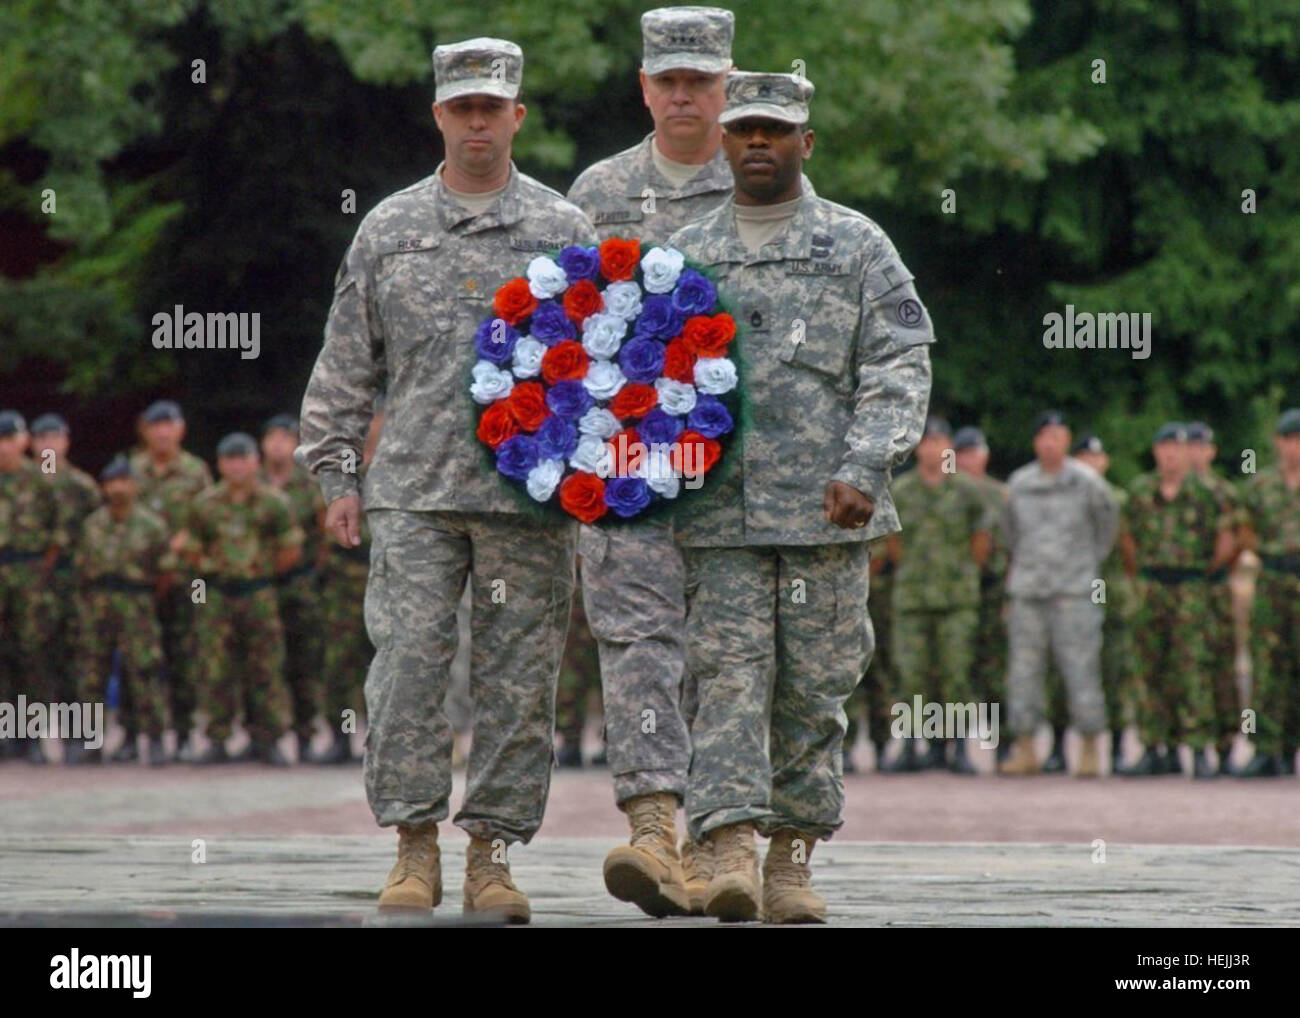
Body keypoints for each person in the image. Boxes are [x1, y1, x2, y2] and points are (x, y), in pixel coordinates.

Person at [297, 37, 597, 923]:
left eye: (491, 107)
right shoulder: (388, 229)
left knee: (518, 680)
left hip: (526, 501)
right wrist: (336, 472)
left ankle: (494, 858)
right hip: (414, 494)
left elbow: (598, 371)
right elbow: (346, 363)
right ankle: (414, 846)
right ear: (438, 115)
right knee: (407, 675)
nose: (476, 121)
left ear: (517, 116)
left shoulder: (563, 230)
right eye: (461, 107)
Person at [668, 71, 934, 922]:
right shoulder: (684, 253)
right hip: (717, 519)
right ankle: (731, 848)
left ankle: (792, 860)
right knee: (726, 682)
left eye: (774, 131)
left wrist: (866, 466)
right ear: (722, 139)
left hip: (827, 517)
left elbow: (899, 365)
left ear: (804, 144)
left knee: (814, 687)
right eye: (743, 128)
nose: (756, 143)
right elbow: (642, 386)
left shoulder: (857, 246)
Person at [565, 5, 735, 916]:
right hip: (625, 468)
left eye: (700, 81)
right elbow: (553, 330)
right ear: (644, 86)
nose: (683, 95)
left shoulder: (764, 175)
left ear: (725, 84)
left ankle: (721, 837)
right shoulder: (595, 194)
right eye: (668, 80)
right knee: (635, 649)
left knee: (728, 653)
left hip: (732, 476)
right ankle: (653, 828)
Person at [998, 411, 1118, 778]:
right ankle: (1026, 748)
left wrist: (1083, 565)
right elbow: (1008, 534)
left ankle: (1088, 750)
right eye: (1044, 436)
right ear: (1036, 442)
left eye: (1057, 435)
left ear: (1067, 440)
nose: (1050, 442)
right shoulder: (1019, 483)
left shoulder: (1089, 483)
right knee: (1023, 673)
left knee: (1081, 671)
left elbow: (1107, 530)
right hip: (1029, 591)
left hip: (1074, 591)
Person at [1117, 422, 1234, 777]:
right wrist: (1144, 575)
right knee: (1149, 668)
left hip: (1192, 587)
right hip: (1152, 586)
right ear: (1156, 452)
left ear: (1187, 452)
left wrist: (1199, 573)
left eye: (1177, 448)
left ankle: (1198, 747)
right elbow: (1127, 540)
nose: (1170, 454)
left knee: (1193, 667)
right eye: (1164, 447)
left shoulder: (1209, 492)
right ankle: (1156, 746)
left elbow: (1226, 541)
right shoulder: (1140, 491)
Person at [184, 433, 301, 767]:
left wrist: (259, 572)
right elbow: (191, 548)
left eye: (243, 458)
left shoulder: (274, 502)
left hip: (258, 592)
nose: (236, 466)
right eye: (230, 459)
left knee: (266, 666)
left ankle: (270, 739)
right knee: (215, 668)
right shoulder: (205, 503)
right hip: (217, 593)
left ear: (254, 462)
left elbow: (290, 550)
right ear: (220, 464)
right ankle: (217, 738)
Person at [883, 416, 991, 774]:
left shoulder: (967, 491)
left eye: (940, 442)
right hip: (913, 599)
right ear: (917, 448)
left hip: (956, 600)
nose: (933, 449)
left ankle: (956, 748)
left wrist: (961, 576)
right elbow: (893, 546)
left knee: (955, 673)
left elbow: (981, 542)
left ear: (950, 449)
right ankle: (913, 746)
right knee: (912, 674)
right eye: (927, 442)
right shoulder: (902, 491)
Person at [71, 456, 173, 766]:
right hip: (99, 603)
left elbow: (166, 573)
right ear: (104, 487)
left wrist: (145, 597)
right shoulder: (92, 525)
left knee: (144, 671)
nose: (118, 488)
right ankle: (91, 742)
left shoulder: (152, 525)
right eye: (112, 482)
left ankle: (154, 740)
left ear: (135, 486)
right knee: (91, 673)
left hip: (136, 603)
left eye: (124, 481)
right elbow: (82, 570)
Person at [129, 400, 213, 762]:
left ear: (181, 430)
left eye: (169, 425)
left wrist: (186, 543)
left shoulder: (196, 472)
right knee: (138, 658)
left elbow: (211, 518)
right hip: (139, 579)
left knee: (184, 654)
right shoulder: (131, 470)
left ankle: (181, 733)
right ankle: (136, 735)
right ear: (144, 430)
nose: (163, 432)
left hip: (186, 579)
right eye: (155, 425)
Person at [316, 402, 385, 766]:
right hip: (343, 579)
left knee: (385, 659)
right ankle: (341, 738)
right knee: (340, 662)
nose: (371, 424)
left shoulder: (396, 466)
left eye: (377, 416)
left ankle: (381, 737)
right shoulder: (342, 468)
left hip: (384, 574)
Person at [1237, 408, 1300, 777]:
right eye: (1289, 439)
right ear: (1278, 443)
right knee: (1267, 666)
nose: (1295, 447)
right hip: (1274, 579)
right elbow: (1246, 534)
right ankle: (1267, 748)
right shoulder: (1261, 486)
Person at [261, 414, 327, 763]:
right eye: (271, 436)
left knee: (304, 661)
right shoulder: (249, 480)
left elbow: (324, 534)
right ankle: (264, 737)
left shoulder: (309, 483)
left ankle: (305, 737)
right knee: (264, 663)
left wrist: (312, 573)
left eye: (285, 437)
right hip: (258, 586)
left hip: (300, 584)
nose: (277, 444)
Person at [0, 411, 65, 763]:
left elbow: (59, 532)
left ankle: (33, 735)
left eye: (10, 439)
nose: (4, 448)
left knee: (32, 657)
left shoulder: (41, 480)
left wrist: (40, 571)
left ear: (23, 442)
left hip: (29, 576)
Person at [30, 414, 101, 714]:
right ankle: (24, 734)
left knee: (74, 655)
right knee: (28, 656)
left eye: (55, 438)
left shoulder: (82, 486)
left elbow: (99, 530)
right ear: (32, 444)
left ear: (66, 442)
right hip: (28, 582)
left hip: (71, 581)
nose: (49, 445)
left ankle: (76, 734)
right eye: (42, 438)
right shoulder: (21, 481)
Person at [1071, 433, 1133, 772]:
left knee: (1115, 671)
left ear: (1104, 462)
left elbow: (1128, 550)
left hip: (1110, 593)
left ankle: (1119, 747)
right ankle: (1059, 745)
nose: (1089, 465)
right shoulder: (1063, 501)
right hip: (1073, 594)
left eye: (1094, 458)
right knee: (1069, 673)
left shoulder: (1118, 498)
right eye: (1081, 458)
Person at [1185, 421, 1243, 774]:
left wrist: (1216, 572)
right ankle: (1194, 748)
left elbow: (1238, 539)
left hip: (1215, 589)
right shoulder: (1169, 490)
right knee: (1190, 667)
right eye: (1188, 445)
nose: (1194, 453)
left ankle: (1226, 747)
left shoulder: (1224, 491)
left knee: (1222, 665)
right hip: (1182, 589)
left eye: (1200, 446)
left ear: (1211, 451)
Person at [954, 426, 1011, 761]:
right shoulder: (949, 494)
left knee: (994, 669)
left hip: (993, 590)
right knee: (957, 670)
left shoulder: (1002, 495)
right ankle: (954, 744)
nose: (968, 460)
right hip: (956, 591)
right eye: (962, 454)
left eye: (974, 453)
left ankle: (1001, 742)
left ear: (985, 456)